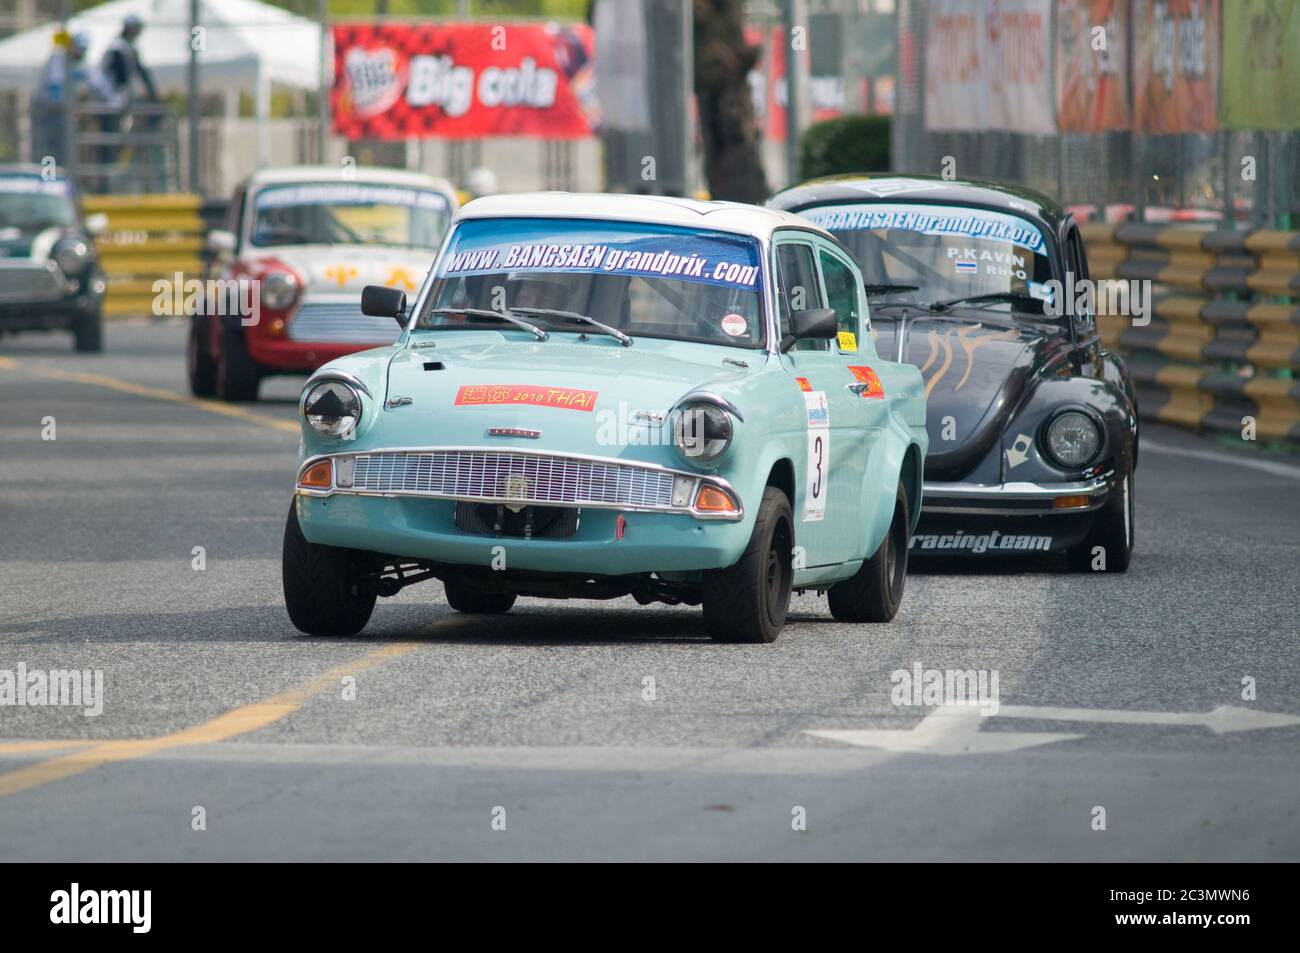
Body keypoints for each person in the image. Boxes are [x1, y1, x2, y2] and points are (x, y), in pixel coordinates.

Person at [100, 15, 157, 107]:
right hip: (111, 93)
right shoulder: (118, 46)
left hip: (119, 93)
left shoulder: (129, 46)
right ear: (130, 28)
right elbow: (118, 73)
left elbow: (141, 71)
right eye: (137, 28)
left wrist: (151, 91)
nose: (139, 32)